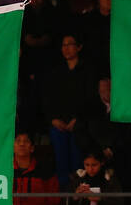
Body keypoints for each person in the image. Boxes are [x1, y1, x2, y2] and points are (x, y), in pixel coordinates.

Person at [39, 33, 93, 189]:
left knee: (78, 162)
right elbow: (47, 98)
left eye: (70, 44)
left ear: (79, 47)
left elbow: (90, 97)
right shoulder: (55, 71)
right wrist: (53, 119)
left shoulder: (86, 69)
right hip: (58, 123)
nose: (66, 48)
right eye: (63, 45)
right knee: (61, 162)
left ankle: (78, 195)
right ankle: (63, 197)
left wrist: (77, 119)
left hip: (79, 124)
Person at [10, 132, 62, 205]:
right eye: (18, 141)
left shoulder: (45, 171)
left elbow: (53, 202)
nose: (22, 144)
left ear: (32, 148)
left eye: (26, 141)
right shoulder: (3, 171)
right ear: (12, 147)